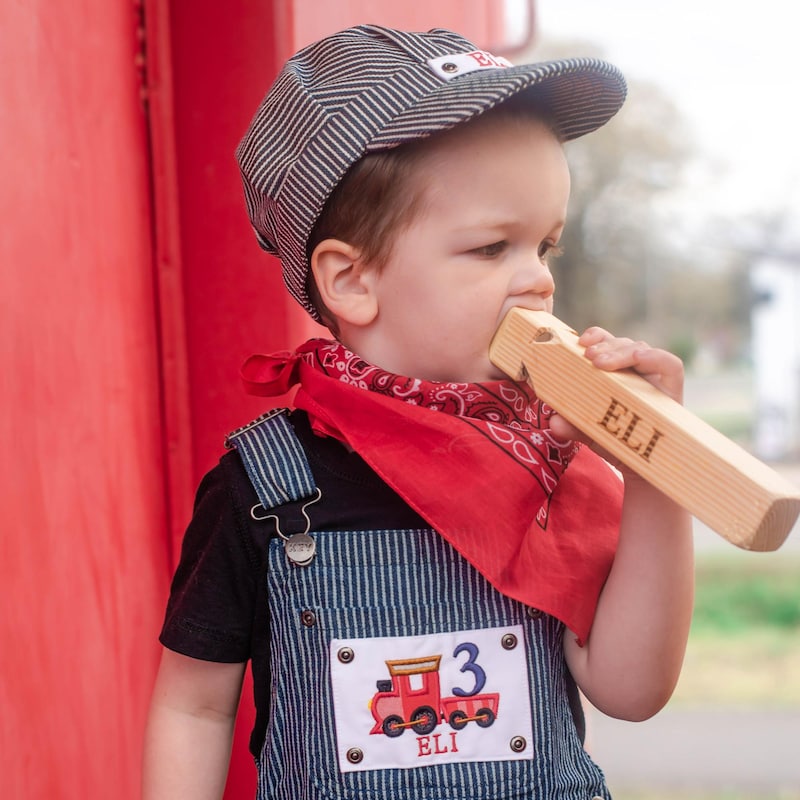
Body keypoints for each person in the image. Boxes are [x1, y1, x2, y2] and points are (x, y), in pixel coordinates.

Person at [142, 24, 694, 800]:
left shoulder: (546, 457)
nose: (537, 280)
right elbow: (195, 706)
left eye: (547, 246)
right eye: (491, 248)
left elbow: (632, 691)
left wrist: (655, 468)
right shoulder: (264, 487)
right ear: (353, 281)